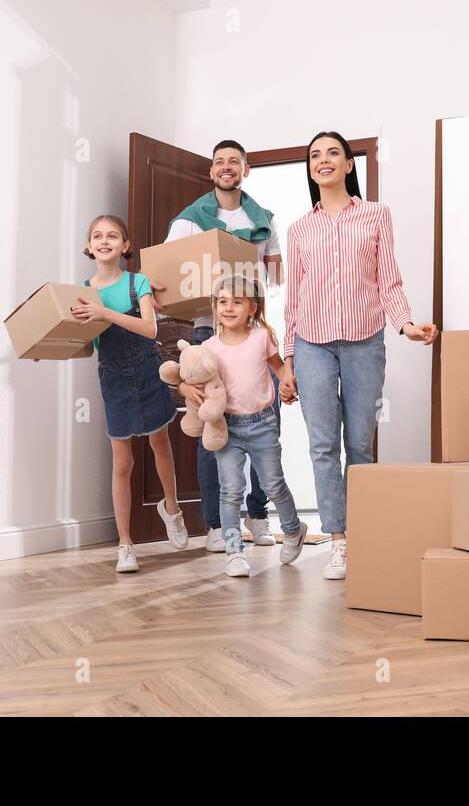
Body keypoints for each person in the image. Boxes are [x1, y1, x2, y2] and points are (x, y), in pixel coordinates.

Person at [280, 132, 439, 580]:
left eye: (333, 153)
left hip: (365, 341)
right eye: (315, 155)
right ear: (310, 169)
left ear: (350, 165)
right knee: (323, 445)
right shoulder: (299, 230)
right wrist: (287, 361)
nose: (323, 160)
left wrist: (406, 325)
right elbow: (293, 300)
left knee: (361, 444)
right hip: (312, 344)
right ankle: (338, 541)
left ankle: (364, 533)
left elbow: (387, 279)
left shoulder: (374, 215)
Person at [160, 140, 284, 552]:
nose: (226, 168)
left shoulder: (264, 220)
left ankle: (259, 516)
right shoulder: (188, 222)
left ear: (246, 170)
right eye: (219, 163)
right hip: (204, 335)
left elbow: (278, 279)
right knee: (214, 429)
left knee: (263, 424)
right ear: (211, 171)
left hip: (251, 335)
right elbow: (167, 279)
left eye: (234, 162)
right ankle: (215, 524)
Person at [72, 214, 189, 573]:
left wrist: (104, 312)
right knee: (122, 462)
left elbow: (149, 327)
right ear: (89, 247)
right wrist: (49, 346)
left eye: (112, 236)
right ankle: (125, 544)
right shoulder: (82, 292)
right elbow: (85, 345)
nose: (103, 240)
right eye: (97, 236)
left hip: (146, 367)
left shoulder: (137, 283)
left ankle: (172, 508)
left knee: (161, 444)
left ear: (125, 246)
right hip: (113, 376)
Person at [186, 275, 307, 578]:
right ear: (215, 307)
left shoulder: (261, 336)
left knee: (273, 484)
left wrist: (289, 386)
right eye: (222, 302)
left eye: (236, 302)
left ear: (252, 307)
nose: (228, 308)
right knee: (230, 491)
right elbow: (191, 378)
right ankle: (234, 552)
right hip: (227, 428)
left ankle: (293, 529)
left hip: (263, 423)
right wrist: (187, 391)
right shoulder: (210, 346)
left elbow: (279, 368)